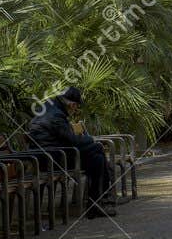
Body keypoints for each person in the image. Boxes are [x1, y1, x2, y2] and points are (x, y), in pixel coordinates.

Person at [28, 86, 114, 218]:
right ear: (72, 104)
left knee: (97, 158)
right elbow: (72, 140)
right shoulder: (56, 114)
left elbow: (66, 139)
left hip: (49, 154)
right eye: (76, 107)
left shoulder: (50, 107)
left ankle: (99, 203)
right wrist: (91, 139)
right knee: (97, 152)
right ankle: (99, 202)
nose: (75, 110)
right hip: (50, 159)